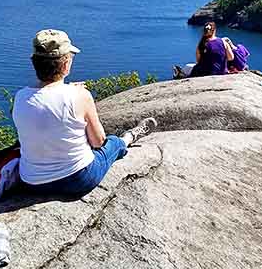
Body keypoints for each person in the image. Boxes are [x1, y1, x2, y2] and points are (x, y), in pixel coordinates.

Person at [12, 29, 157, 197]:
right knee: (112, 143)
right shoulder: (80, 96)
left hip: (31, 183)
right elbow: (98, 142)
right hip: (77, 179)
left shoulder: (20, 97)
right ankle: (128, 138)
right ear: (66, 64)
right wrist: (76, 94)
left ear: (34, 62)